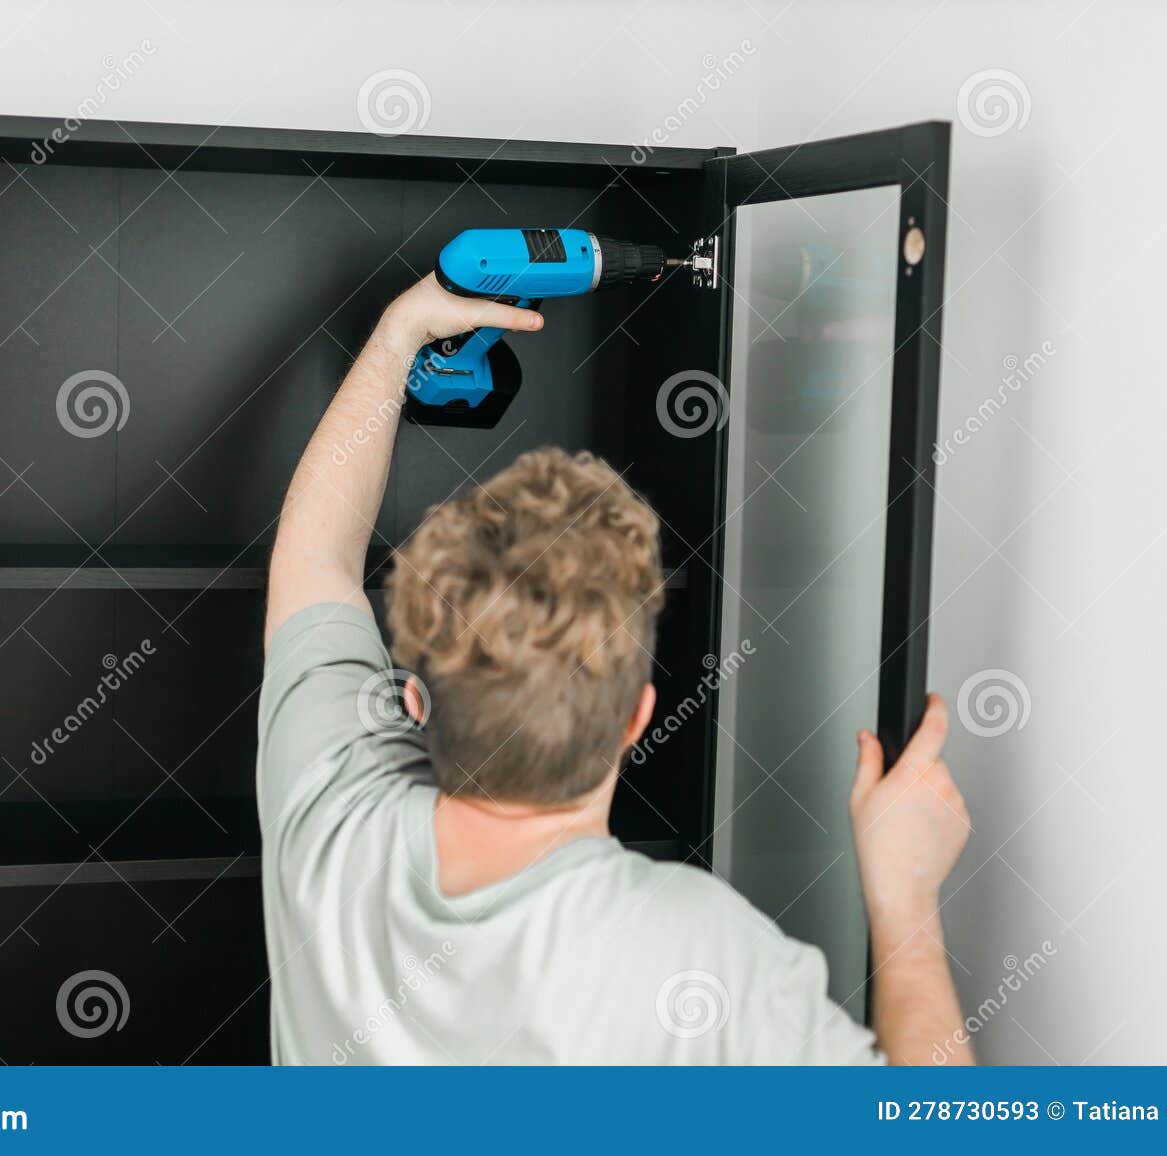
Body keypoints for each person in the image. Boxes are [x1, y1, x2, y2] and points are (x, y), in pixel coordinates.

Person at [259, 274, 975, 1064]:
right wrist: (906, 905)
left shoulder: (329, 813)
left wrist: (399, 334)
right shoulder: (699, 953)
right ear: (638, 716)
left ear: (415, 701)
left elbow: (318, 554)